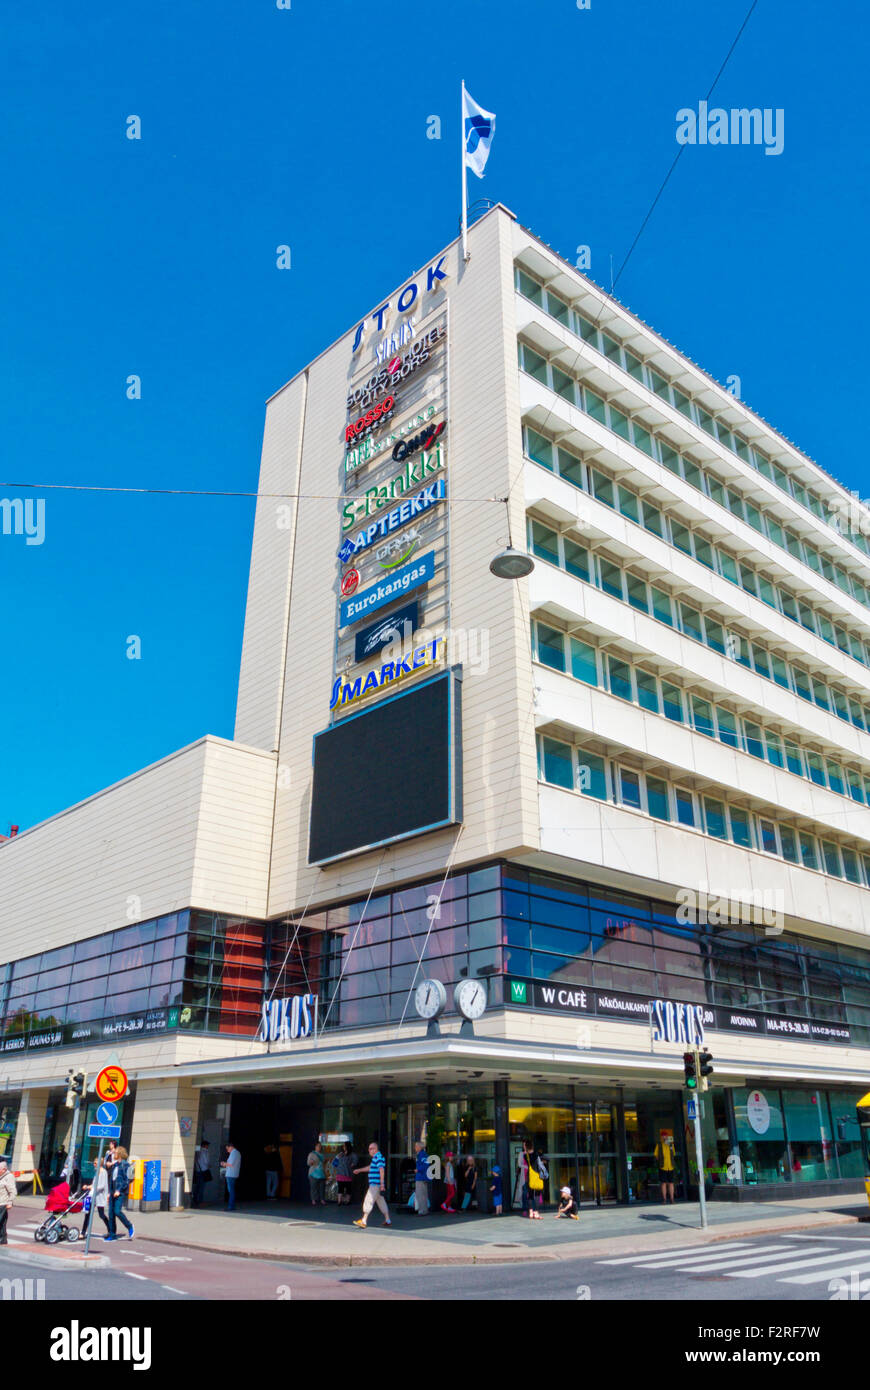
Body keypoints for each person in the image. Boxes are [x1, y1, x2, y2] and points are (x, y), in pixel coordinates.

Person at [352, 1141, 391, 1229]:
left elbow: (381, 1170)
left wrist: (382, 1184)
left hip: (375, 1184)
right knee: (381, 1201)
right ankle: (388, 1220)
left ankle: (364, 1220)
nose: (369, 1150)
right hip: (377, 1184)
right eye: (369, 1149)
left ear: (375, 1149)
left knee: (368, 1200)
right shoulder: (376, 1158)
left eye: (371, 1149)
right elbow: (370, 1168)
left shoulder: (378, 1157)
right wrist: (359, 1170)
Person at [104, 1145, 134, 1241]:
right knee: (111, 1213)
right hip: (113, 1191)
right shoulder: (115, 1165)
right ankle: (112, 1234)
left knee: (117, 1211)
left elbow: (128, 1179)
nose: (114, 1154)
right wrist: (110, 1192)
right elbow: (112, 1179)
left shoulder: (125, 1165)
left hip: (120, 1192)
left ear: (120, 1154)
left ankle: (129, 1225)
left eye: (116, 1153)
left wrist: (119, 1190)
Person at [81, 1158, 111, 1237]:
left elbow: (102, 1185)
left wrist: (91, 1187)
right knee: (87, 1214)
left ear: (99, 1164)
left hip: (100, 1196)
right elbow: (94, 1183)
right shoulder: (96, 1172)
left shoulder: (103, 1172)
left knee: (101, 1214)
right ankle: (83, 1232)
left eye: (95, 1163)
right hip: (93, 1196)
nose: (93, 1164)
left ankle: (110, 1229)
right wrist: (88, 1186)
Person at [655, 1131, 676, 1205]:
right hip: (663, 1166)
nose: (665, 1137)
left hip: (670, 1166)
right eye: (663, 1136)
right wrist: (660, 1161)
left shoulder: (671, 1144)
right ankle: (664, 1199)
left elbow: (673, 1154)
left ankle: (672, 1199)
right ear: (661, 1137)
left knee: (671, 1183)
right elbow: (656, 1155)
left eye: (666, 1136)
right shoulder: (659, 1145)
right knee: (663, 1183)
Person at [221, 1141, 241, 1211]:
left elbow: (231, 1164)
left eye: (228, 1149)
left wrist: (224, 1163)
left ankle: (231, 1206)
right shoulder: (237, 1153)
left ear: (231, 1147)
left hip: (231, 1174)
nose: (227, 1150)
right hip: (233, 1174)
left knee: (231, 1191)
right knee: (231, 1190)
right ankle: (231, 1205)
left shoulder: (234, 1153)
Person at [192, 1139, 212, 1208]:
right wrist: (209, 1165)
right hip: (203, 1171)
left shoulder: (198, 1152)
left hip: (198, 1170)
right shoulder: (205, 1152)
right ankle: (200, 1201)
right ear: (205, 1145)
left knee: (197, 1186)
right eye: (207, 1145)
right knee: (202, 1187)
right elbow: (206, 1161)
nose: (208, 1146)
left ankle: (195, 1200)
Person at [0, 1161, 15, 1245]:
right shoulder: (1, 1176)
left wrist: (10, 1202)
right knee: (2, 1224)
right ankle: (3, 1241)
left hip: (3, 1203)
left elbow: (13, 1191)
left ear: (4, 1169)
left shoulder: (9, 1177)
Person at [413, 1139, 429, 1216]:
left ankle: (422, 1210)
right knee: (424, 1194)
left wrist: (418, 1169)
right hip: (424, 1177)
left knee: (420, 1194)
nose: (415, 1147)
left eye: (416, 1146)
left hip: (420, 1177)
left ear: (420, 1147)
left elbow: (425, 1165)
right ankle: (425, 1210)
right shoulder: (424, 1154)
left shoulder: (421, 1155)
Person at [307, 1141, 326, 1206]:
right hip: (313, 1173)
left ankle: (322, 1200)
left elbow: (324, 1164)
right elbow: (308, 1163)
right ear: (315, 1147)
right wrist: (311, 1162)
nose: (319, 1147)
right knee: (313, 1188)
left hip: (321, 1173)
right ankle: (313, 1200)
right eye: (318, 1146)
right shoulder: (311, 1154)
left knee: (322, 1188)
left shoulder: (322, 1155)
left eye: (320, 1146)